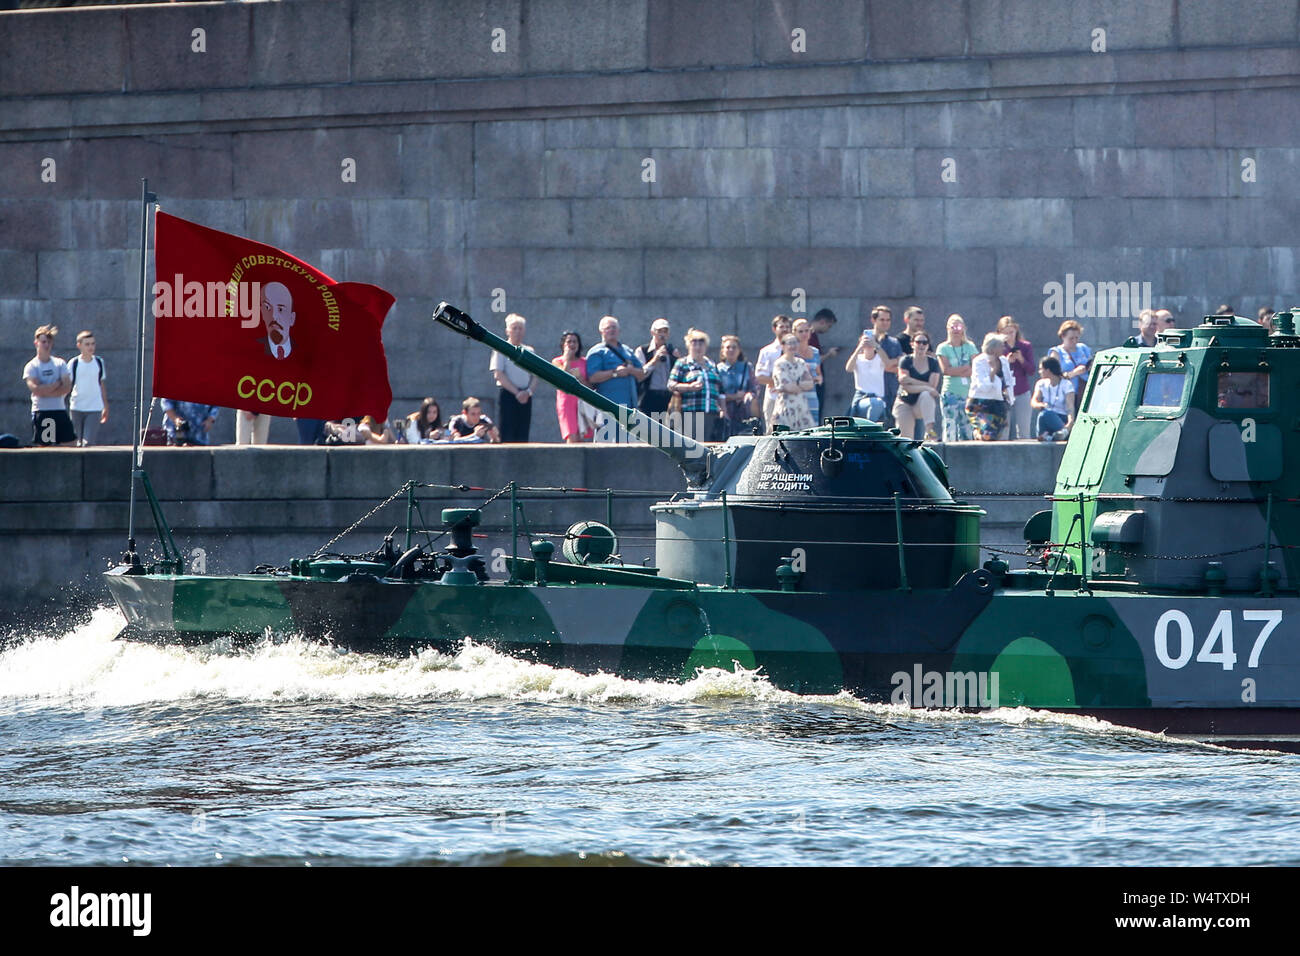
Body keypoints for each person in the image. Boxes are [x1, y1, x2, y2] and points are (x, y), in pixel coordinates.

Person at [585, 315, 645, 439]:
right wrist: (614, 373)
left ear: (619, 331)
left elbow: (641, 374)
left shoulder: (627, 350)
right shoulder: (597, 352)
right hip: (607, 408)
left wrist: (630, 370)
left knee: (629, 446)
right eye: (608, 328)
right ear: (601, 331)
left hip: (630, 408)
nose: (611, 330)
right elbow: (593, 377)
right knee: (605, 446)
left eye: (614, 328)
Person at [667, 328, 724, 441]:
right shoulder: (682, 363)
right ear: (689, 345)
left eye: (701, 343)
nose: (698, 347)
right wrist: (689, 387)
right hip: (691, 412)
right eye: (694, 343)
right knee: (692, 450)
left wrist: (723, 409)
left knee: (709, 448)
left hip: (711, 413)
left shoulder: (711, 364)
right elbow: (671, 384)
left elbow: (720, 390)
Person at [24, 325, 75, 447]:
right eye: (43, 342)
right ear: (36, 343)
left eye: (49, 342)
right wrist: (56, 384)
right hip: (42, 412)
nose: (46, 345)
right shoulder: (32, 366)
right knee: (45, 448)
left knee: (71, 444)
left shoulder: (60, 363)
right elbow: (36, 390)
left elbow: (67, 387)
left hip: (59, 410)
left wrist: (46, 390)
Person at [489, 313, 536, 443]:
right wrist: (517, 393)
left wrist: (528, 392)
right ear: (507, 331)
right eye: (514, 328)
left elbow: (535, 376)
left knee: (523, 432)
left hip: (526, 396)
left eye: (520, 328)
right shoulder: (501, 349)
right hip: (509, 395)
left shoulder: (529, 351)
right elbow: (498, 374)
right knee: (507, 431)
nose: (517, 331)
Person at [965, 333, 1015, 442]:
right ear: (993, 348)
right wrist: (993, 371)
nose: (1004, 348)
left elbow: (1008, 381)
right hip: (980, 403)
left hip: (998, 404)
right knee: (987, 434)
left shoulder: (1004, 361)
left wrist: (1009, 398)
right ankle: (977, 434)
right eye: (1001, 346)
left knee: (995, 436)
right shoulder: (979, 361)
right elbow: (983, 386)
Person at [935, 315, 977, 441]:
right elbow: (946, 370)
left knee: (968, 428)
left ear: (963, 328)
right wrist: (965, 369)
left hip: (968, 393)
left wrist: (959, 370)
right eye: (953, 326)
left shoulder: (970, 347)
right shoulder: (943, 348)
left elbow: (975, 368)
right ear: (948, 328)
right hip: (950, 393)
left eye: (959, 326)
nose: (956, 330)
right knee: (950, 427)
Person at [893, 330, 940, 441]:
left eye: (925, 342)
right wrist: (926, 386)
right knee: (905, 441)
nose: (921, 345)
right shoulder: (905, 361)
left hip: (921, 404)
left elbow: (932, 387)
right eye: (918, 342)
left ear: (928, 345)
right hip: (905, 402)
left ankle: (929, 431)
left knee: (927, 395)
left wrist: (911, 380)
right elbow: (905, 385)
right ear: (912, 344)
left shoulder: (933, 363)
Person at [766, 333, 815, 431]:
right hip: (786, 406)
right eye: (790, 343)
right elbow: (788, 387)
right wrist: (800, 385)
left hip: (801, 406)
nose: (793, 346)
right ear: (783, 346)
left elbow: (810, 384)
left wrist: (796, 384)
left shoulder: (801, 362)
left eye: (796, 342)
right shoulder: (779, 364)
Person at [68, 329, 108, 446]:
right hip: (76, 407)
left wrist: (105, 406)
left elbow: (101, 384)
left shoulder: (99, 362)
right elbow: (67, 385)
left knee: (88, 443)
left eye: (92, 344)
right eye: (87, 344)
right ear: (79, 345)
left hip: (94, 407)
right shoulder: (73, 363)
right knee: (77, 443)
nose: (90, 347)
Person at [997, 316, 1035, 439]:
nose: (1009, 336)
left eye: (1011, 332)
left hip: (1022, 390)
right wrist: (1006, 362)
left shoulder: (1025, 346)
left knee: (1024, 430)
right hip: (1004, 393)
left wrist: (1021, 359)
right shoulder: (998, 348)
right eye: (1006, 333)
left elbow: (1032, 370)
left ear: (1016, 331)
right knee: (1003, 430)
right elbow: (995, 372)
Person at [754, 314, 794, 430]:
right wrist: (779, 383)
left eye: (787, 327)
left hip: (793, 399)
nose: (785, 329)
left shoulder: (796, 351)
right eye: (782, 326)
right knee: (772, 432)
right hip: (773, 397)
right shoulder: (767, 351)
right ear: (774, 329)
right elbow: (760, 376)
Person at [553, 331, 593, 443]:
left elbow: (590, 386)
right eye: (569, 342)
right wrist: (567, 360)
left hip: (581, 402)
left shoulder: (584, 362)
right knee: (571, 435)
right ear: (563, 344)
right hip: (566, 402)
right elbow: (561, 379)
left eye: (575, 342)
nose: (572, 344)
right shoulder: (557, 361)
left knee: (581, 436)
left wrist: (580, 378)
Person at [866, 305, 903, 426]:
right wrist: (891, 361)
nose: (885, 323)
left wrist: (886, 362)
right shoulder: (866, 340)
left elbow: (896, 366)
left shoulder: (894, 342)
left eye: (888, 320)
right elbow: (871, 365)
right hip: (872, 392)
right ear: (873, 320)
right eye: (882, 320)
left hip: (891, 390)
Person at [634, 318, 679, 416]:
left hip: (667, 398)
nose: (662, 335)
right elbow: (639, 375)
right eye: (659, 331)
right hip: (648, 397)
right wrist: (655, 360)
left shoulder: (671, 351)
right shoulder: (642, 350)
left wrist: (677, 359)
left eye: (665, 331)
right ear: (652, 332)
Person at [717, 334, 758, 437]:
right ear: (723, 350)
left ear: (739, 350)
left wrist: (748, 395)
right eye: (728, 347)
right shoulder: (717, 369)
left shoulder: (746, 367)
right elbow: (716, 393)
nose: (731, 350)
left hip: (744, 412)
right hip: (725, 412)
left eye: (734, 347)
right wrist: (734, 397)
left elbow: (755, 387)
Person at [844, 330, 887, 423]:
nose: (868, 343)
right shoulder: (858, 359)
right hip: (862, 398)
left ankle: (870, 427)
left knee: (877, 404)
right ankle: (870, 428)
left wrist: (876, 345)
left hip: (878, 397)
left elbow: (887, 363)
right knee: (875, 404)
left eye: (871, 340)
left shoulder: (879, 359)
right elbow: (848, 368)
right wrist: (859, 347)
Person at [1030, 355, 1075, 441]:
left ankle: (1061, 433)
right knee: (1043, 415)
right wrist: (1040, 405)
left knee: (1046, 414)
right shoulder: (1041, 384)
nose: (1039, 372)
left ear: (1048, 370)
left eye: (1041, 369)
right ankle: (1050, 436)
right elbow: (1034, 401)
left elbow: (1070, 407)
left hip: (1062, 418)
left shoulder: (1066, 384)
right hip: (1047, 416)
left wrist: (1069, 424)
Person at [792, 317, 823, 425]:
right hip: (795, 396)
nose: (804, 334)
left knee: (813, 427)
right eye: (800, 331)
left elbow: (819, 374)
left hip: (812, 396)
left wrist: (818, 379)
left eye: (806, 330)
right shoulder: (791, 352)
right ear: (794, 333)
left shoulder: (815, 352)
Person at [808, 308, 840, 411]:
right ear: (822, 322)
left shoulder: (813, 336)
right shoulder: (810, 336)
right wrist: (829, 354)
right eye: (828, 326)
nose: (828, 329)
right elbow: (814, 360)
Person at [1050, 320, 1093, 395]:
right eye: (1071, 338)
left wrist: (1089, 367)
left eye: (1076, 338)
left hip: (1085, 390)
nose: (1074, 341)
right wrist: (1074, 373)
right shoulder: (1056, 352)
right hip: (1067, 393)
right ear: (1063, 336)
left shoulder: (1083, 348)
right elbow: (1053, 376)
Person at [260, 281, 296, 360]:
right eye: (267, 308)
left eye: (280, 309)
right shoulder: (252, 348)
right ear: (262, 313)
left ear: (292, 318)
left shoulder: (305, 349)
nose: (273, 316)